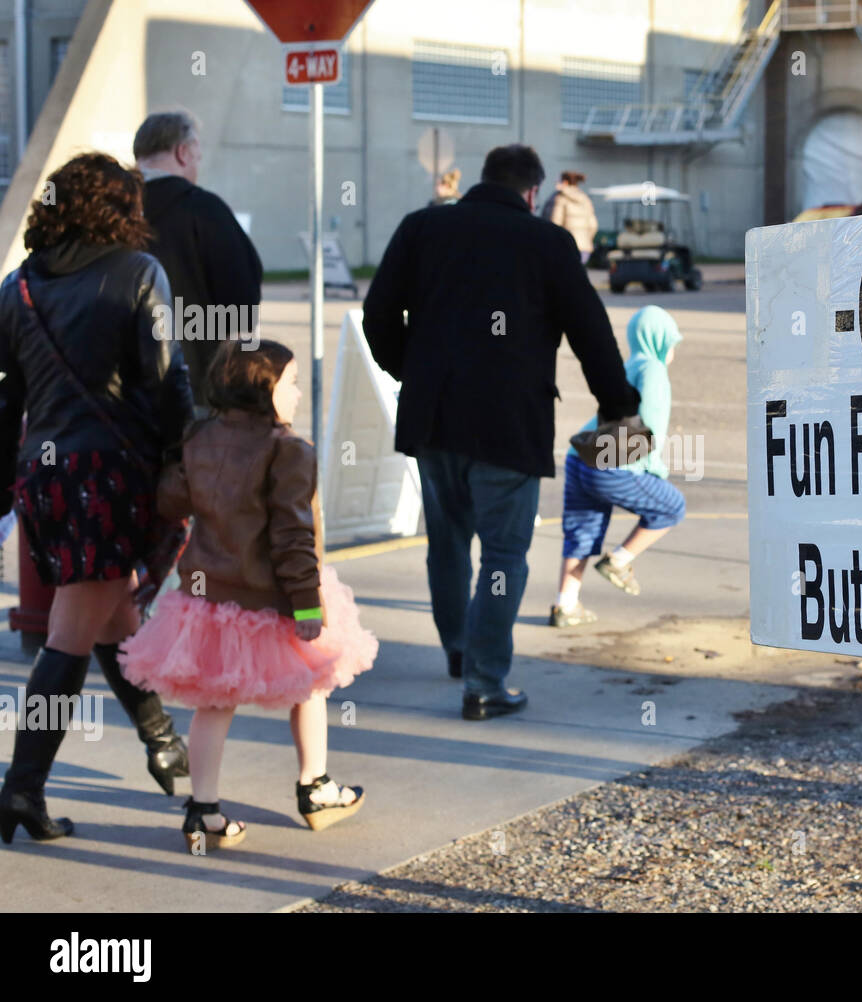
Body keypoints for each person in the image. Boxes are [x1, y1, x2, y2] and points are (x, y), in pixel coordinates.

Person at [363, 144, 640, 720]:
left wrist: (410, 371)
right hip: (508, 425)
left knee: (447, 542)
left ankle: (460, 651)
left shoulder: (421, 227)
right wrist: (618, 405)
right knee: (504, 556)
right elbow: (592, 332)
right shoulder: (547, 243)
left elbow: (378, 315)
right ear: (534, 193)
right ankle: (486, 683)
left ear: (481, 181)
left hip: (433, 419)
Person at [0, 152, 194, 844]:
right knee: (71, 634)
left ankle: (163, 743)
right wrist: (188, 459)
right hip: (108, 476)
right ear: (120, 209)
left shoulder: (17, 286)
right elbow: (165, 379)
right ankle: (21, 791)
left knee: (109, 615)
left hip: (44, 476)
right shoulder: (140, 273)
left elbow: (8, 397)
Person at [119, 340, 377, 850]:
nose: (299, 393)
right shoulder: (288, 451)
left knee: (215, 701)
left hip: (209, 598)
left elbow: (171, 501)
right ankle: (316, 786)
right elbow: (293, 536)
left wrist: (179, 460)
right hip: (275, 596)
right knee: (313, 685)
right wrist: (307, 604)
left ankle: (204, 811)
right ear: (266, 390)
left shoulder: (200, 438)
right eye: (292, 383)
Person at [552, 306, 686, 626]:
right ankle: (619, 561)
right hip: (612, 464)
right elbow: (651, 423)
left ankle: (565, 606)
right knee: (671, 507)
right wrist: (653, 469)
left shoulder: (628, 365)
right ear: (661, 340)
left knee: (581, 534)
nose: (673, 351)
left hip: (580, 457)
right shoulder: (653, 368)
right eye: (672, 343)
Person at [134, 110, 263, 412]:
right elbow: (241, 306)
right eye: (197, 156)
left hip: (117, 399)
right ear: (182, 153)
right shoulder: (205, 211)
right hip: (195, 388)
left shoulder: (105, 212)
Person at [544, 171, 600, 265]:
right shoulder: (585, 199)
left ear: (565, 182)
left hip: (564, 247)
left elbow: (554, 224)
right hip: (584, 247)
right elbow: (593, 225)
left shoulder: (559, 198)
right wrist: (587, 240)